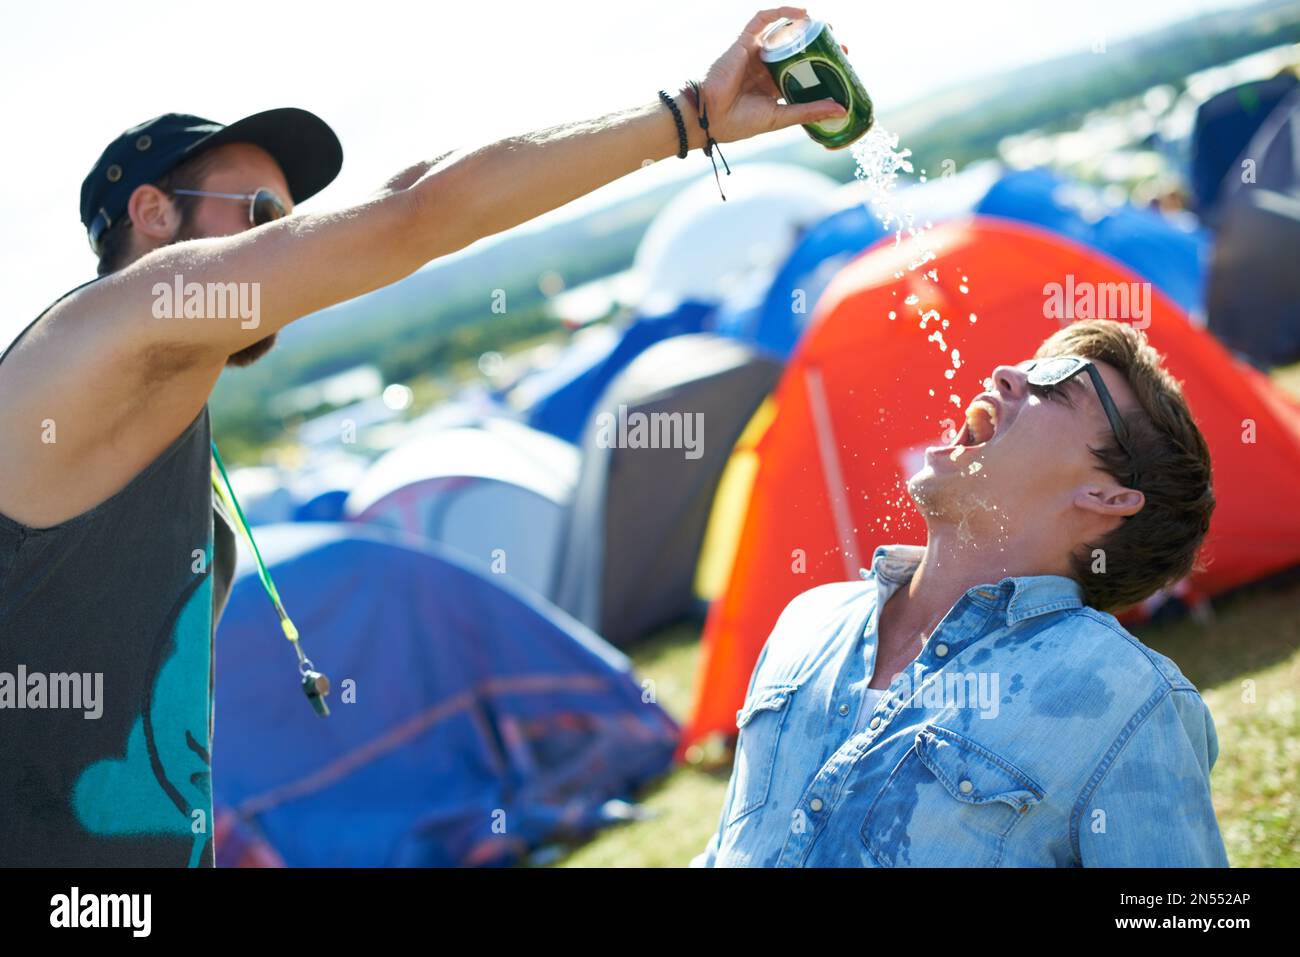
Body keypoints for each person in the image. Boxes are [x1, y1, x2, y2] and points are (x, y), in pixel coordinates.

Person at [0, 6, 848, 867]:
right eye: (262, 213)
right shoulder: (111, 326)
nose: (288, 240)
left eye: (292, 217)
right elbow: (415, 213)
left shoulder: (154, 411)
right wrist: (690, 117)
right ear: (150, 212)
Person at [692, 319, 1229, 867]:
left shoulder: (1127, 698)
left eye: (1056, 384)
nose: (1007, 375)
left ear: (1108, 496)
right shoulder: (807, 621)